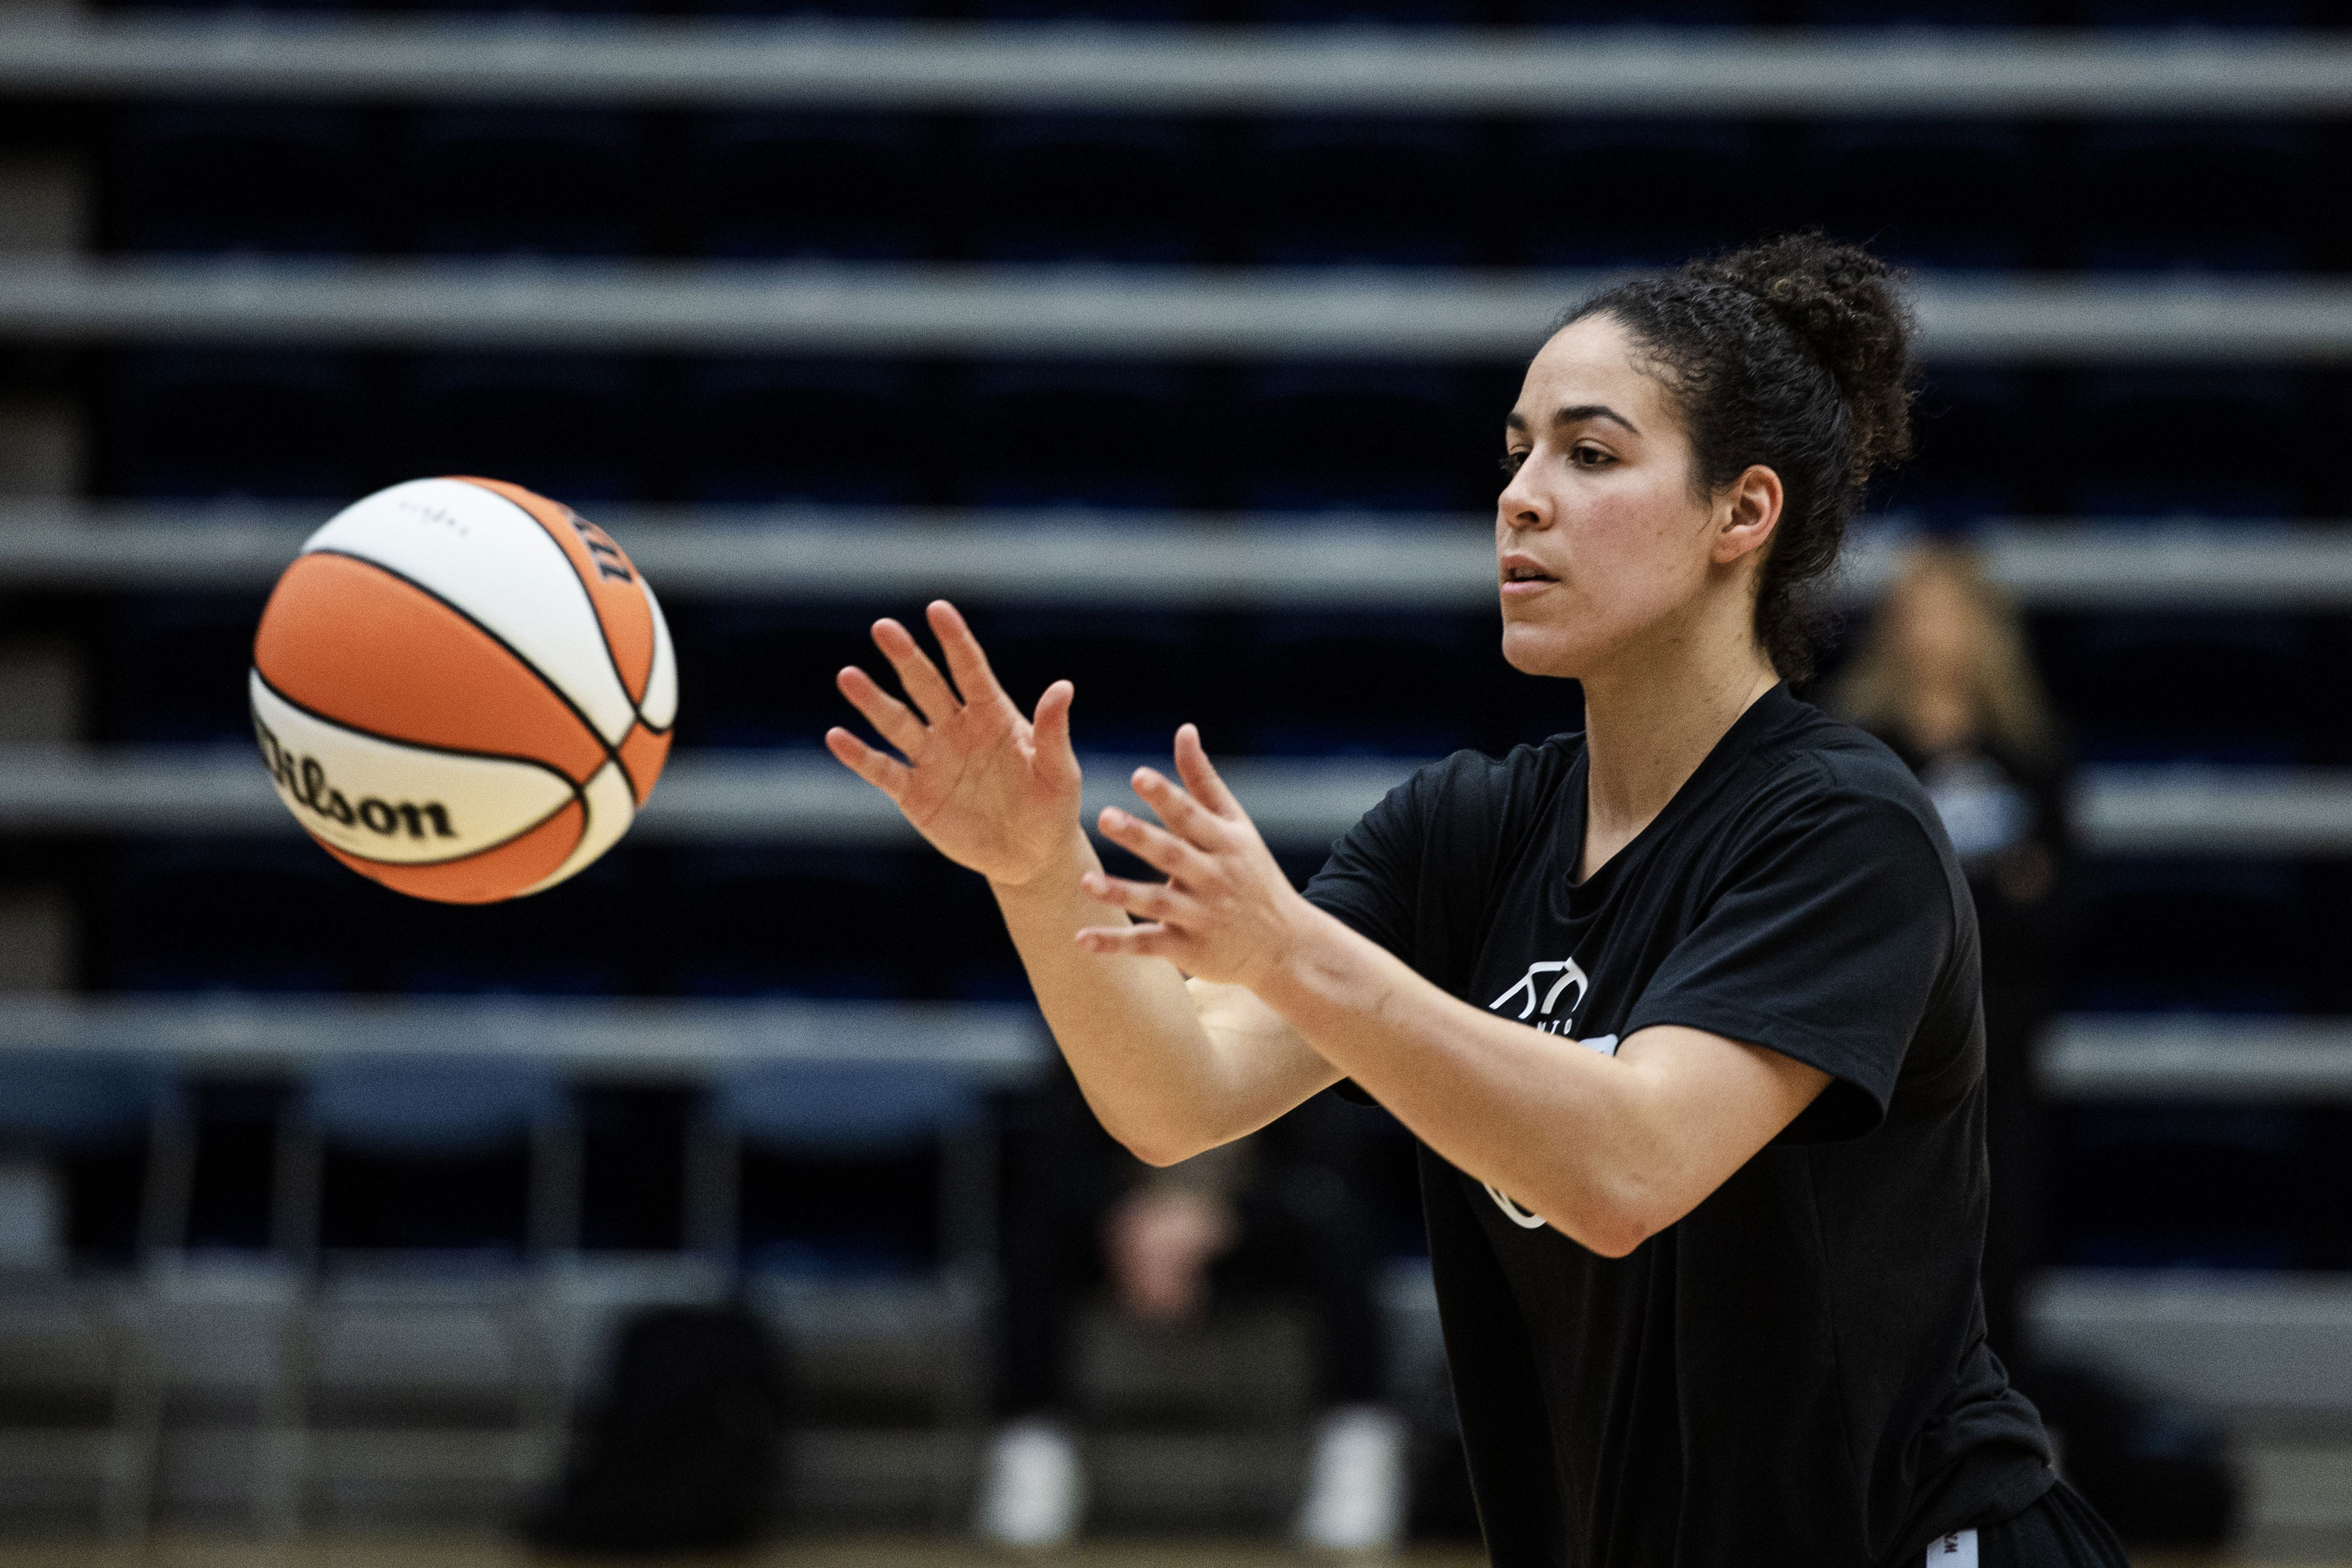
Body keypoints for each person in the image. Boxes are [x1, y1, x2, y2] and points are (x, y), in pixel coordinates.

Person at [826, 233, 2126, 1566]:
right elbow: (1175, 1098)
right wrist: (1034, 870)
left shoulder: (1840, 825)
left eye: (1590, 453)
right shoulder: (1467, 826)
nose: (1520, 496)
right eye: (1514, 451)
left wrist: (1292, 953)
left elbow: (1626, 1166)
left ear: (1742, 514)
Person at [974, 1066, 1407, 1553]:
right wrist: (1130, 1218)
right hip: (1124, 1229)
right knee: (1035, 1234)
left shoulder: (1294, 1004)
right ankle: (1033, 1441)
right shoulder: (1100, 1001)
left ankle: (1355, 1441)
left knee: (1337, 1226)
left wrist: (1219, 1219)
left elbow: (1328, 1158)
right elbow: (1057, 1155)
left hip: (1253, 1230)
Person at [1833, 541, 2077, 1373]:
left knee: (2000, 1241)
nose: (1929, 632)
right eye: (1914, 610)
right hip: (1888, 1050)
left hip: (1999, 1045)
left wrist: (1957, 892)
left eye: (1947, 611)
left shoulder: (2028, 752)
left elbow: (2061, 904)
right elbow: (1857, 904)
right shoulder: (1861, 747)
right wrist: (1992, 884)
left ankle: (1994, 1441)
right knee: (1881, 1247)